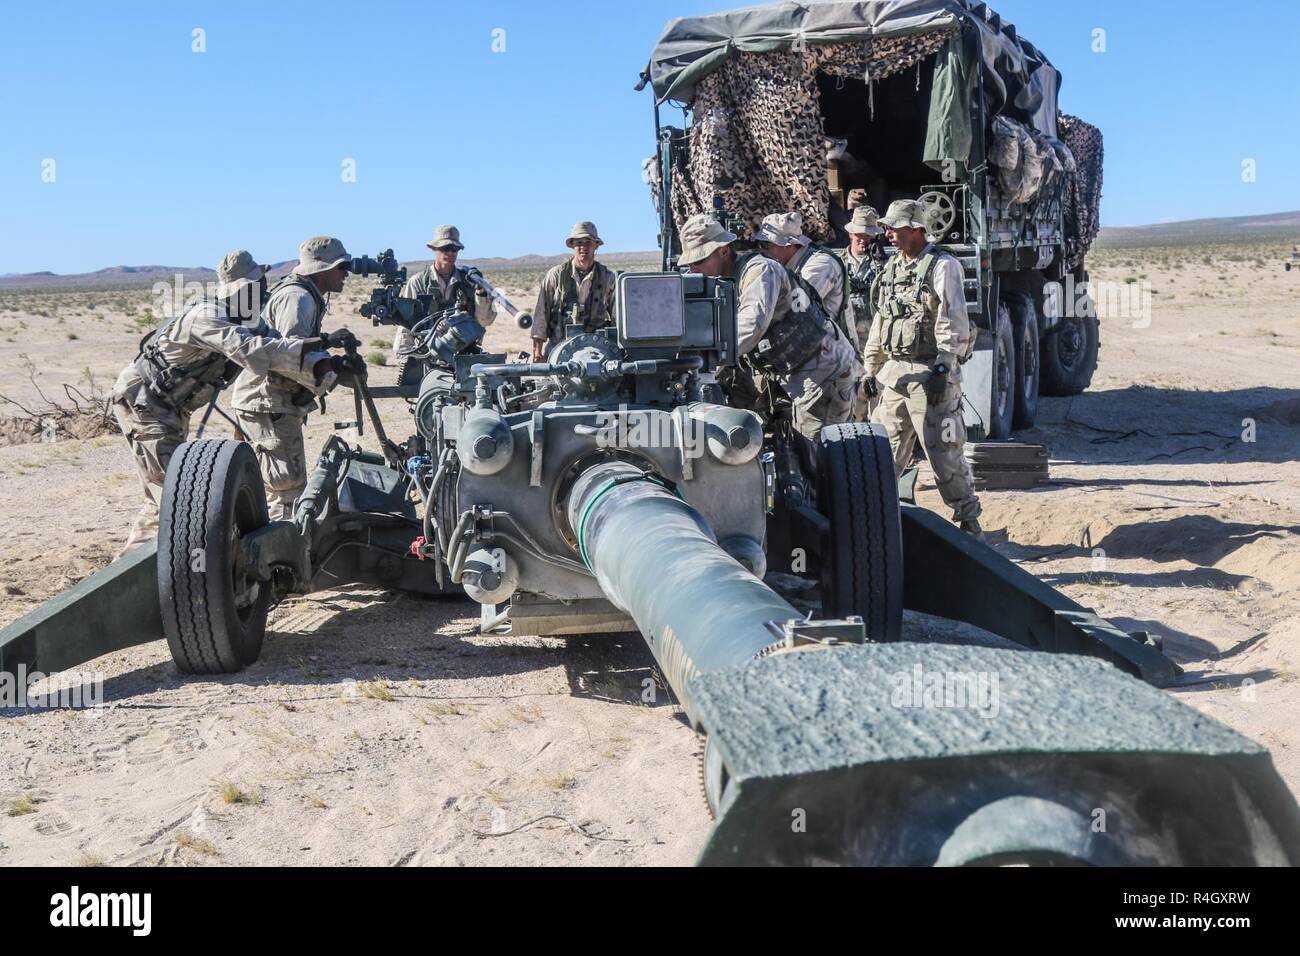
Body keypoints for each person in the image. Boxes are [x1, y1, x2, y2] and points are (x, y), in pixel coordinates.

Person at [110, 250, 343, 551]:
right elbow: (250, 349)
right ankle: (138, 574)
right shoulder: (206, 317)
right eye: (258, 285)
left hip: (170, 406)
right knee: (173, 496)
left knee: (165, 494)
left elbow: (278, 352)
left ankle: (141, 569)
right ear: (243, 288)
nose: (264, 291)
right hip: (146, 403)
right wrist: (318, 344)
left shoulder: (246, 318)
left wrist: (328, 367)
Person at [677, 213, 857, 444]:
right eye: (689, 263)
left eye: (699, 261)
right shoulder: (722, 282)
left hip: (822, 376)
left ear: (723, 250)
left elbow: (751, 325)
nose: (693, 269)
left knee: (818, 460)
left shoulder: (760, 270)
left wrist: (704, 358)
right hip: (789, 376)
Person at [863, 199, 982, 535]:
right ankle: (877, 527)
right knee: (882, 453)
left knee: (943, 452)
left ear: (916, 227)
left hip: (930, 375)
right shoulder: (892, 267)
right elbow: (880, 320)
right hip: (895, 375)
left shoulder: (942, 266)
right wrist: (870, 369)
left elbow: (953, 318)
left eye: (894, 227)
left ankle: (970, 525)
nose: (887, 233)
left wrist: (945, 367)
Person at [230, 236, 364, 520]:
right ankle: (280, 559)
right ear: (323, 269)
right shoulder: (299, 298)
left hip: (267, 404)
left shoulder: (304, 294)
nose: (347, 273)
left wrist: (329, 353)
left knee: (270, 488)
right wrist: (333, 371)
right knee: (286, 493)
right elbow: (288, 357)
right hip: (268, 404)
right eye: (343, 267)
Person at [394, 225, 496, 381]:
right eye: (445, 248)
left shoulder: (469, 282)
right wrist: (405, 357)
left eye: (454, 249)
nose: (449, 253)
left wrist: (481, 295)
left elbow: (485, 320)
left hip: (464, 357)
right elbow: (406, 324)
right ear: (434, 249)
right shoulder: (419, 283)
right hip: (428, 357)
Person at [754, 211, 856, 351]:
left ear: (789, 245)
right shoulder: (787, 267)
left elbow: (795, 308)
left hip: (834, 357)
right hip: (809, 352)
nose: (762, 252)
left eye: (766, 245)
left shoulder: (820, 265)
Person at [532, 221, 617, 361]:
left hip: (596, 352)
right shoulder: (556, 275)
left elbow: (616, 317)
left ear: (596, 245)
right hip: (557, 350)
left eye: (588, 242)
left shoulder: (608, 278)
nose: (583, 247)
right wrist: (537, 352)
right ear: (572, 245)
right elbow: (541, 313)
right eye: (579, 242)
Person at [837, 205, 888, 420]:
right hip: (848, 342)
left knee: (878, 401)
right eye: (859, 234)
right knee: (851, 403)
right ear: (850, 234)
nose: (862, 240)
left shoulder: (883, 264)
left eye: (868, 235)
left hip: (874, 343)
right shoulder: (837, 263)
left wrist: (882, 264)